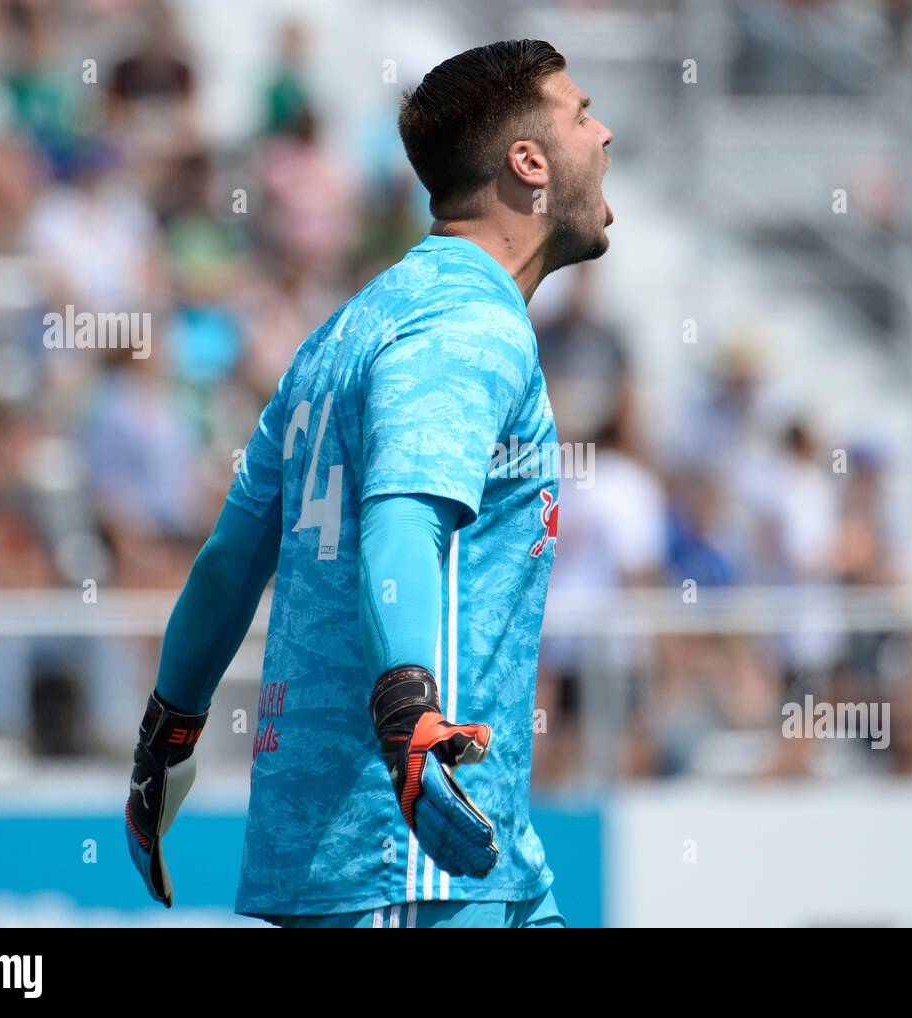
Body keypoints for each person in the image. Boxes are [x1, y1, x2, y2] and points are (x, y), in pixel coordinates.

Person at [124, 40, 614, 929]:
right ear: (529, 162)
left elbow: (232, 561)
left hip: (463, 849)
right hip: (406, 857)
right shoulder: (468, 325)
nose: (604, 134)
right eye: (582, 115)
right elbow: (400, 524)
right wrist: (410, 722)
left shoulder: (345, 330)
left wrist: (170, 733)